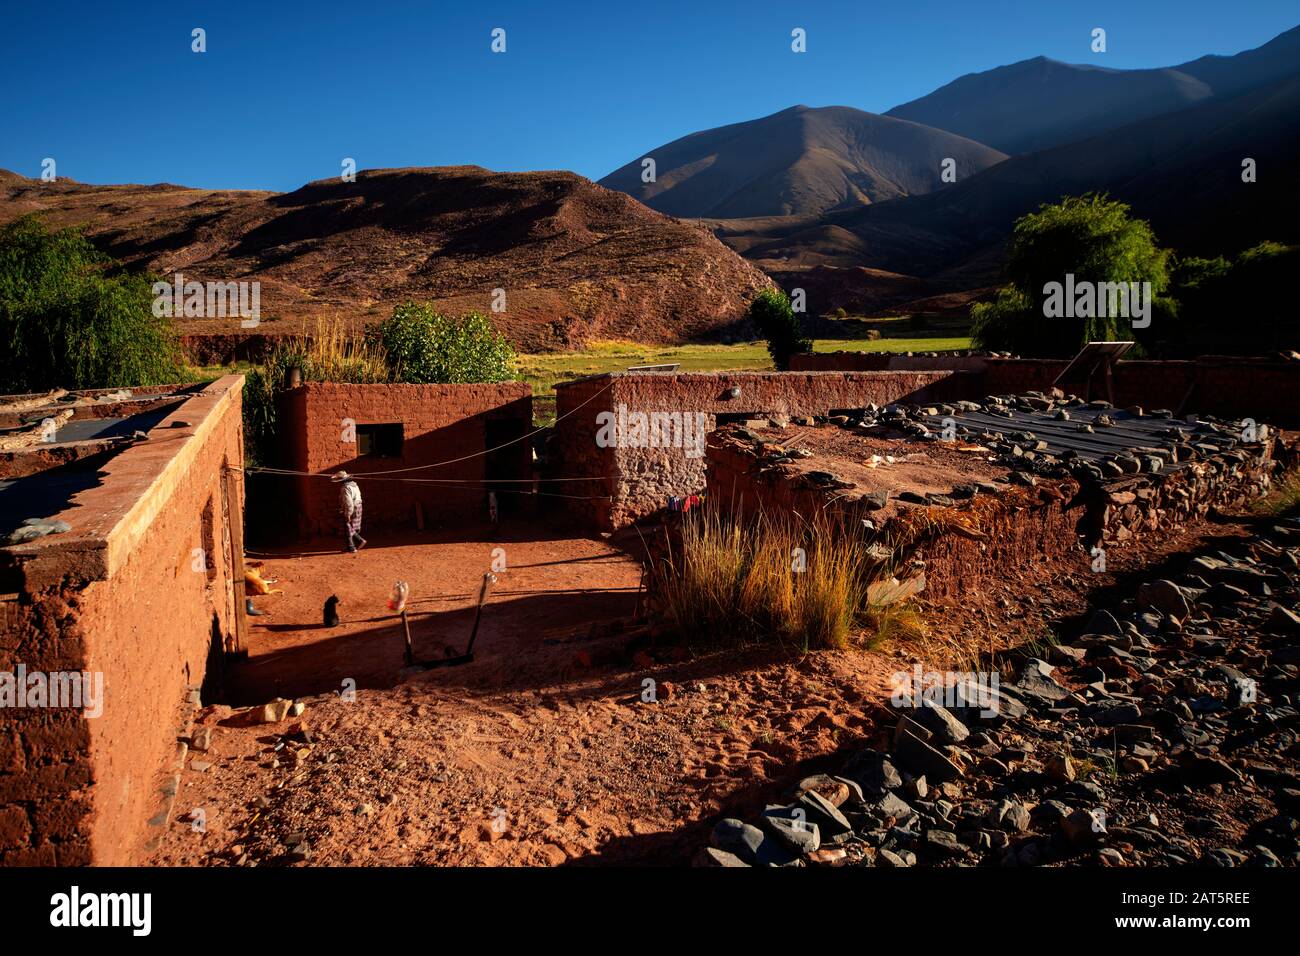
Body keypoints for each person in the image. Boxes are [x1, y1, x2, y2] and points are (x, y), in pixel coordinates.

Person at [332, 471, 366, 552]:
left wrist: (348, 514)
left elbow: (349, 502)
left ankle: (359, 541)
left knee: (348, 526)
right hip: (358, 506)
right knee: (349, 526)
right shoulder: (354, 485)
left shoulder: (345, 488)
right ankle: (351, 547)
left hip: (352, 508)